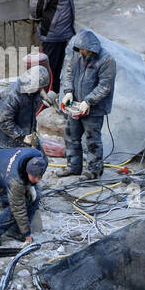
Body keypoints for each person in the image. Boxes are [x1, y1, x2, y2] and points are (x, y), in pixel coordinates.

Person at [56, 29, 116, 180]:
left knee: (92, 141)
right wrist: (68, 91)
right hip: (76, 105)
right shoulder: (77, 55)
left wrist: (88, 101)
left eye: (84, 49)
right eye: (79, 49)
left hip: (94, 109)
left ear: (91, 48)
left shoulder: (106, 60)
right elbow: (69, 73)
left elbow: (105, 86)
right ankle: (73, 167)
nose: (81, 51)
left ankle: (93, 172)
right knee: (71, 136)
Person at [0, 147, 48, 246]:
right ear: (27, 171)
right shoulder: (15, 181)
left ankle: (15, 230)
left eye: (39, 177)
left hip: (1, 165)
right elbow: (18, 208)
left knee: (37, 194)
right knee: (21, 203)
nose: (37, 180)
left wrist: (31, 185)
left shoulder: (39, 158)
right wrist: (27, 234)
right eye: (34, 177)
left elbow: (35, 177)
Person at [32, 0, 75, 85]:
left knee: (58, 66)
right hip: (52, 32)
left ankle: (54, 91)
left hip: (62, 32)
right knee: (49, 67)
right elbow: (36, 7)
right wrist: (42, 20)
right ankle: (46, 93)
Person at [0, 65, 49, 149]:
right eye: (39, 88)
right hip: (8, 141)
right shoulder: (11, 96)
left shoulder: (31, 91)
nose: (40, 89)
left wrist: (42, 95)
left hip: (25, 133)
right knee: (11, 161)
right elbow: (4, 122)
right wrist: (22, 137)